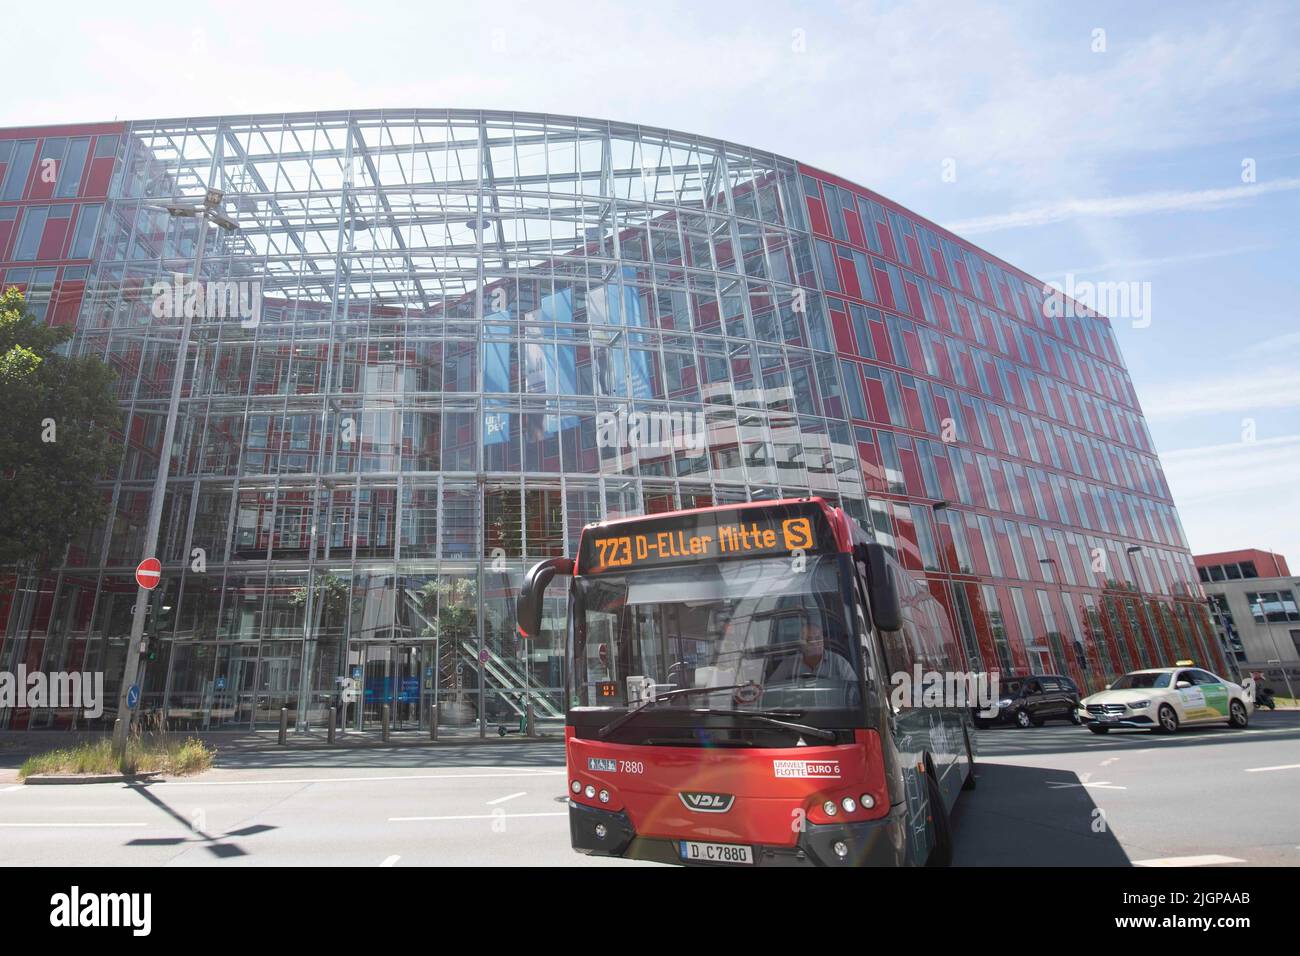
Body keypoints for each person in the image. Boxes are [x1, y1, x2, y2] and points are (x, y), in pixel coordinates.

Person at [768, 615, 856, 684]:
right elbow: (771, 689)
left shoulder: (839, 663)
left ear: (823, 640)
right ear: (801, 643)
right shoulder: (788, 665)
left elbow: (854, 690)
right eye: (808, 639)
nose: (814, 643)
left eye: (818, 638)